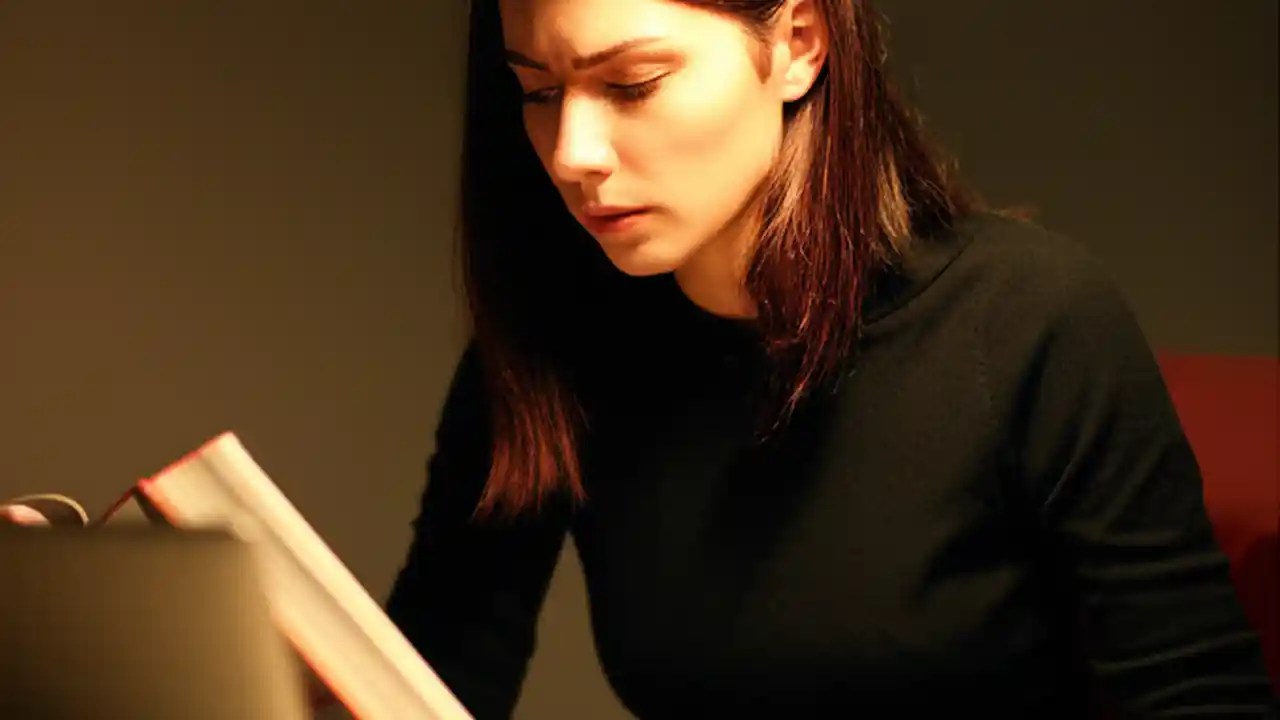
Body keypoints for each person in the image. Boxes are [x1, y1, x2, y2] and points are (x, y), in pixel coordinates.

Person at [6, 0, 1276, 718]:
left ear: (796, 41)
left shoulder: (1028, 318)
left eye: (632, 81)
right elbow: (432, 685)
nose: (572, 153)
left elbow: (1197, 711)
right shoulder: (558, 355)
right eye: (537, 90)